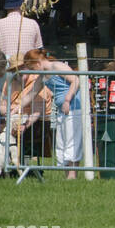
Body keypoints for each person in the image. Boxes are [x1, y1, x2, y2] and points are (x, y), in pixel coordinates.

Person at [23, 48, 81, 179]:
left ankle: (72, 175)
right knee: (62, 142)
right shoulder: (43, 76)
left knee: (72, 141)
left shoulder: (57, 66)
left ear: (38, 63)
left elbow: (75, 80)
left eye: (32, 68)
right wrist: (14, 108)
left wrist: (67, 99)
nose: (32, 72)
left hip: (74, 108)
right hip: (62, 111)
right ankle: (68, 175)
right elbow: (31, 94)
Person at [0, 0, 42, 67]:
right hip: (28, 68)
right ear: (21, 5)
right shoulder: (33, 23)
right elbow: (39, 49)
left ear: (6, 7)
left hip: (6, 68)